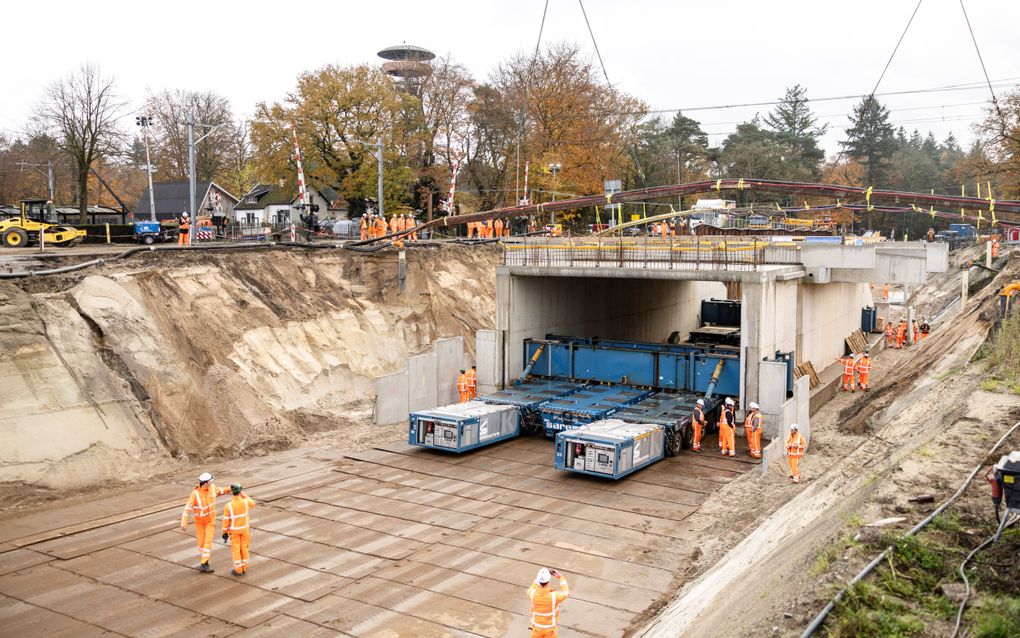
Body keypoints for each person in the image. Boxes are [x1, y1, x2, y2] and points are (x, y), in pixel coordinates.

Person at [180, 472, 231, 573]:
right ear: (205, 483)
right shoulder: (195, 494)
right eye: (210, 482)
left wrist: (231, 488)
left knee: (208, 542)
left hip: (210, 521)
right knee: (202, 543)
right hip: (199, 522)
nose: (212, 483)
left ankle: (204, 563)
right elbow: (187, 508)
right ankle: (205, 563)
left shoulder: (212, 488)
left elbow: (221, 491)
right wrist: (184, 523)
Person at [221, 483, 256, 576]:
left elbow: (225, 521)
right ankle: (244, 567)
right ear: (240, 491)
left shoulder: (228, 506)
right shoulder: (245, 501)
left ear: (232, 492)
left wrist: (224, 532)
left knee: (236, 549)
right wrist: (244, 495)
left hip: (234, 531)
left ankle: (238, 570)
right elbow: (253, 503)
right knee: (244, 547)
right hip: (245, 529)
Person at [527, 568, 570, 638]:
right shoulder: (554, 596)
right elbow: (566, 592)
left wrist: (540, 577)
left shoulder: (531, 593)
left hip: (536, 629)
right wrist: (561, 577)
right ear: (548, 581)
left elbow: (534, 585)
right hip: (550, 630)